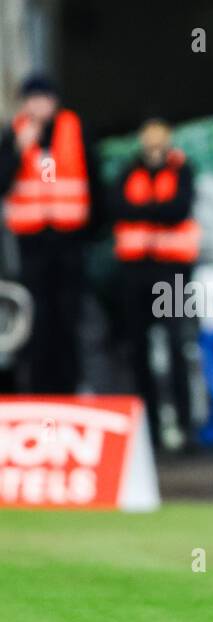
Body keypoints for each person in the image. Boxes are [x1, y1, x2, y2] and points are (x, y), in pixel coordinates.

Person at [110, 118, 200, 449]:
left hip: (173, 271)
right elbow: (117, 207)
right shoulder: (129, 170)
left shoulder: (181, 169)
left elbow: (179, 209)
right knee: (138, 348)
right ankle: (149, 430)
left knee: (178, 345)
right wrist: (155, 211)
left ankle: (186, 427)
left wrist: (143, 211)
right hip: (135, 271)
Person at [0, 74, 92, 393]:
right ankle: (37, 388)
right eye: (32, 99)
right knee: (35, 318)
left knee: (68, 316)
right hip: (32, 243)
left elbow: (93, 182)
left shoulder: (75, 129)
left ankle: (70, 386)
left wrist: (89, 234)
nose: (38, 106)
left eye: (44, 99)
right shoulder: (14, 133)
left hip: (68, 242)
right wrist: (16, 149)